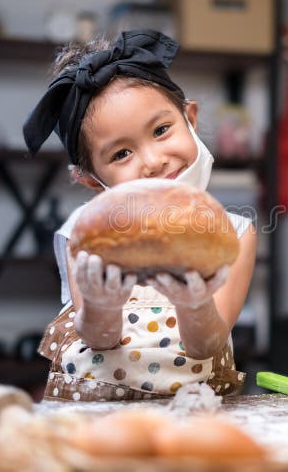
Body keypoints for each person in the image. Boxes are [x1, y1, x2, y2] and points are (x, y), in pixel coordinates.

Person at [23, 30, 256, 401]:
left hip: (190, 410)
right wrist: (103, 305)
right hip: (95, 413)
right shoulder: (87, 236)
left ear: (191, 121)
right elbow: (99, 338)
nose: (152, 162)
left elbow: (208, 346)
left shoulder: (234, 233)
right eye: (121, 154)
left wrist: (194, 303)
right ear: (91, 181)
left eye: (162, 130)